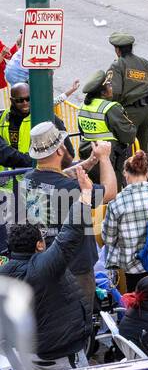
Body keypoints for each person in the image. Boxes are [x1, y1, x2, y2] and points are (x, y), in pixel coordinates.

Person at [1, 164, 95, 370]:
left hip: (26, 356)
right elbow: (70, 234)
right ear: (39, 245)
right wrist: (86, 193)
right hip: (61, 358)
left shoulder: (5, 274)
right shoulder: (44, 267)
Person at [20, 123, 117, 310]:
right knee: (80, 320)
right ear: (59, 150)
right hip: (76, 268)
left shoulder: (28, 179)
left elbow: (57, 177)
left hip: (45, 264)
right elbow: (111, 191)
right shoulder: (72, 189)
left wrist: (90, 161)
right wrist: (104, 158)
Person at [101, 151, 148, 292]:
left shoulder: (117, 202)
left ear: (126, 174)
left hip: (134, 267)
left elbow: (108, 239)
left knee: (139, 303)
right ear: (147, 173)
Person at [76, 68, 138, 187]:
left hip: (87, 157)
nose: (111, 87)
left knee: (93, 191)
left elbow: (82, 131)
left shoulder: (83, 107)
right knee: (111, 191)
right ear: (103, 93)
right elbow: (128, 135)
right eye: (109, 85)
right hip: (109, 160)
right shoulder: (110, 108)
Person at [107, 31, 148, 154]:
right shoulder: (144, 63)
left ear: (117, 50)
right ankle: (144, 173)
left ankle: (129, 172)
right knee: (142, 149)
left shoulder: (117, 65)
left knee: (127, 150)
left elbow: (114, 93)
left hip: (130, 113)